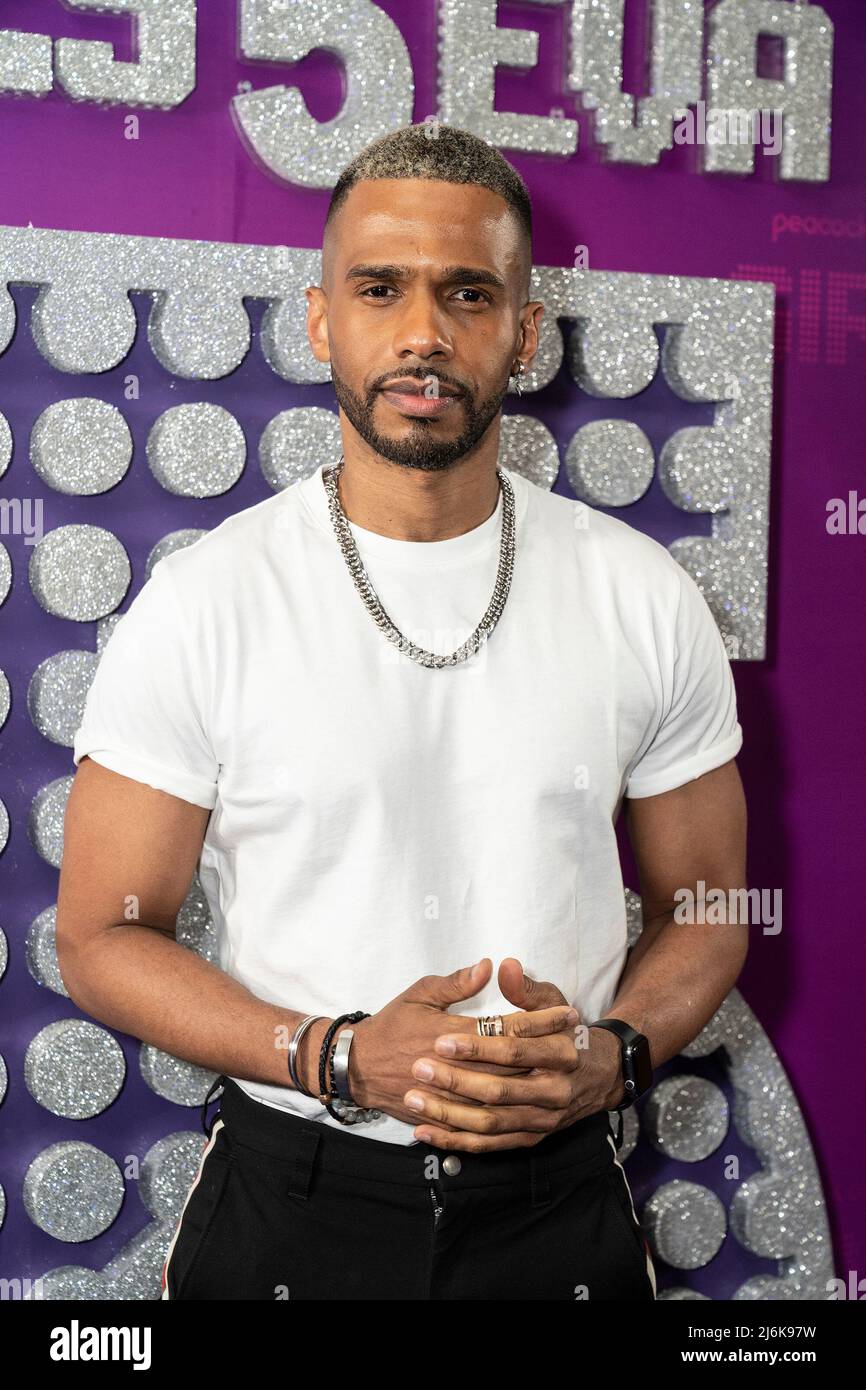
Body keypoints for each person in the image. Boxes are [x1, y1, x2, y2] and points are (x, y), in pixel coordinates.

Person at [57, 123, 747, 1301]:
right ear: (323, 319)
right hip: (294, 1200)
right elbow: (101, 937)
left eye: (467, 293)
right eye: (380, 289)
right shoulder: (207, 600)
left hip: (558, 1204)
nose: (422, 334)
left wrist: (612, 1054)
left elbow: (712, 905)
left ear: (523, 332)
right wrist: (329, 1054)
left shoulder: (639, 591)